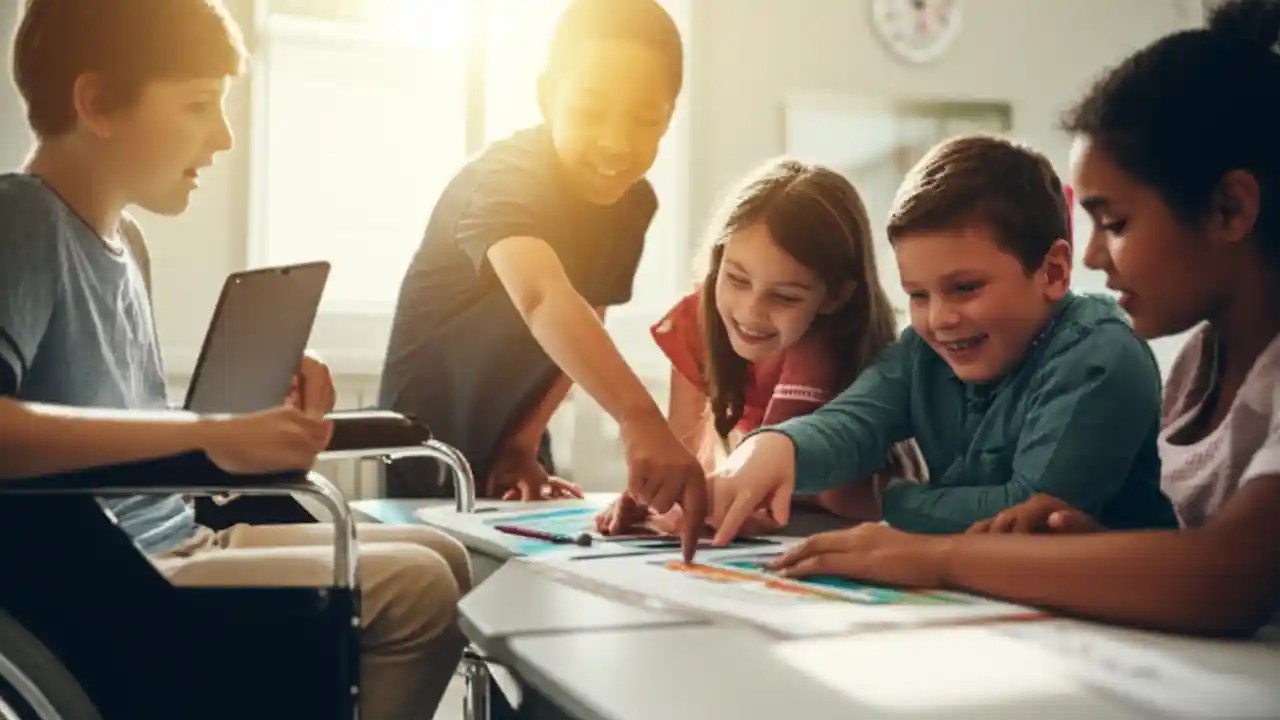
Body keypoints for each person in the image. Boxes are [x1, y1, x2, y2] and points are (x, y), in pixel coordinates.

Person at [0, 2, 469, 717]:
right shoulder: (22, 220)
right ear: (96, 103)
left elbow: (118, 423)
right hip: (113, 577)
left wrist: (241, 413)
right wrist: (210, 433)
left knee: (444, 556)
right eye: (198, 104)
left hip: (173, 535)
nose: (222, 137)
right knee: (419, 589)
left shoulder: (127, 244)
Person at [767, 0, 1280, 637]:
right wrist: (1090, 546)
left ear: (1230, 209)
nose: (1094, 254)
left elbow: (1228, 579)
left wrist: (938, 554)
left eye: (1115, 224)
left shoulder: (1110, 353)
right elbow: (1190, 555)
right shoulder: (1201, 367)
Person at [708, 135, 1177, 541]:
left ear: (1053, 272)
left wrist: (897, 501)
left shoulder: (1101, 357)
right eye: (917, 294)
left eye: (965, 288)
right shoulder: (923, 351)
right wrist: (772, 448)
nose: (939, 319)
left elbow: (1027, 513)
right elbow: (851, 424)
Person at [377, 0, 706, 558]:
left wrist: (525, 438)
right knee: (440, 590)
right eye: (592, 111)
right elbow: (542, 295)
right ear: (547, 94)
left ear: (670, 116)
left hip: (519, 434)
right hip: (429, 439)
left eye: (645, 120)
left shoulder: (633, 204)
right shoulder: (507, 179)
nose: (616, 143)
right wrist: (638, 418)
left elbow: (589, 310)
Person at [596, 158, 918, 535]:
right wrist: (654, 496)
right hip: (777, 512)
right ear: (718, 263)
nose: (752, 311)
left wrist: (709, 504)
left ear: (834, 298)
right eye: (736, 279)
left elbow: (772, 482)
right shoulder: (698, 320)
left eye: (783, 297)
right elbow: (686, 463)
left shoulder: (827, 341)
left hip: (853, 511)